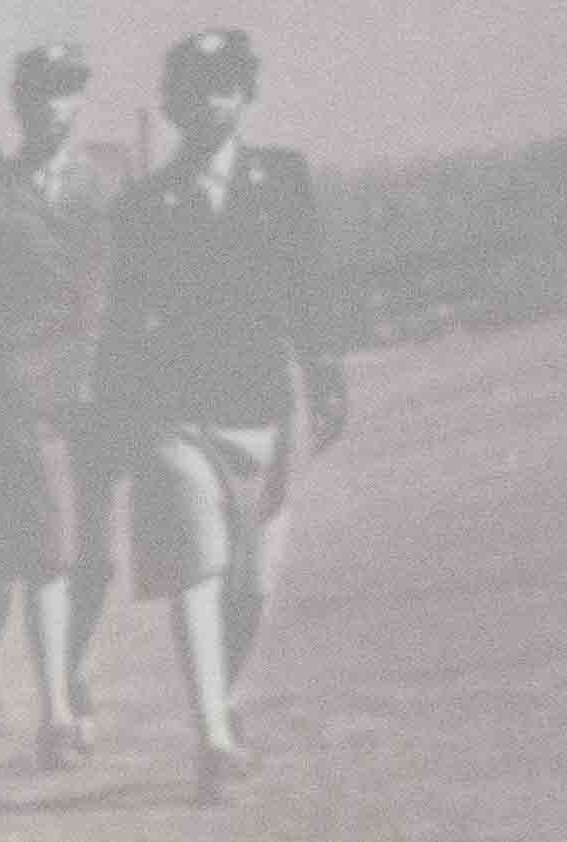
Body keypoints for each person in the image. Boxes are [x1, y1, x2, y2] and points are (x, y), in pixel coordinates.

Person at [91, 20, 343, 799]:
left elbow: (310, 285)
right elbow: (123, 322)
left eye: (228, 86)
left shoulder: (283, 178)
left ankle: (224, 705)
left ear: (249, 95)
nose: (213, 103)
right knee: (196, 566)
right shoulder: (142, 207)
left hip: (264, 407)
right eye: (197, 91)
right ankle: (210, 732)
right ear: (171, 105)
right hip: (178, 414)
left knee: (254, 583)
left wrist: (327, 373)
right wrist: (117, 424)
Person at [0, 38, 123, 756]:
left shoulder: (109, 176)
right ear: (19, 104)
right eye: (42, 92)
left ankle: (67, 668)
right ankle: (55, 715)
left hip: (104, 388)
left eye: (68, 90)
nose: (56, 106)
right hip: (29, 394)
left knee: (99, 558)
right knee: (51, 552)